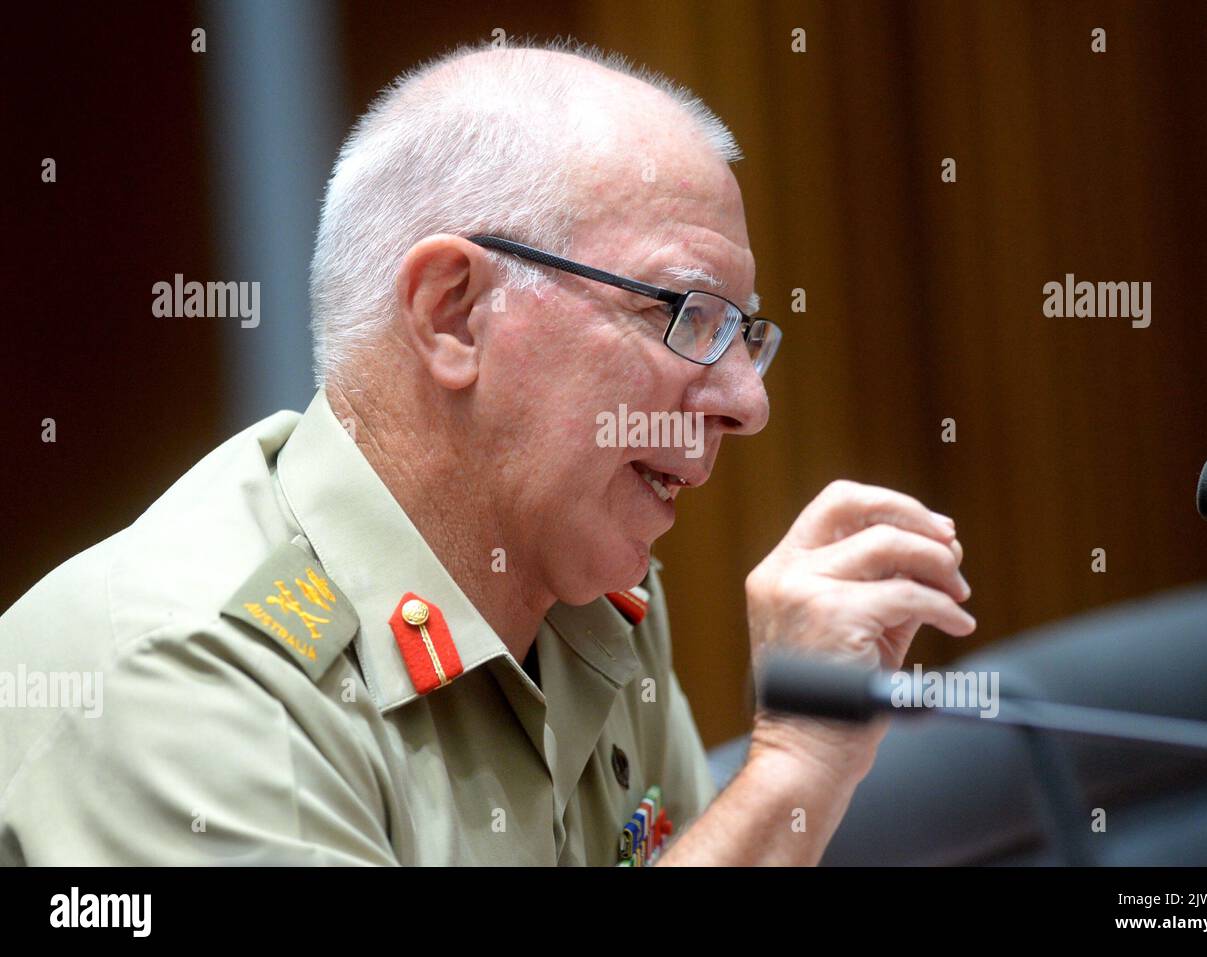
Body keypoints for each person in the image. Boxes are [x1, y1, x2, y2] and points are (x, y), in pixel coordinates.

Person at [0, 39, 974, 865]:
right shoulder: (187, 683)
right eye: (683, 315)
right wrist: (794, 767)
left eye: (743, 336)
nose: (747, 403)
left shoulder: (591, 600)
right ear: (452, 313)